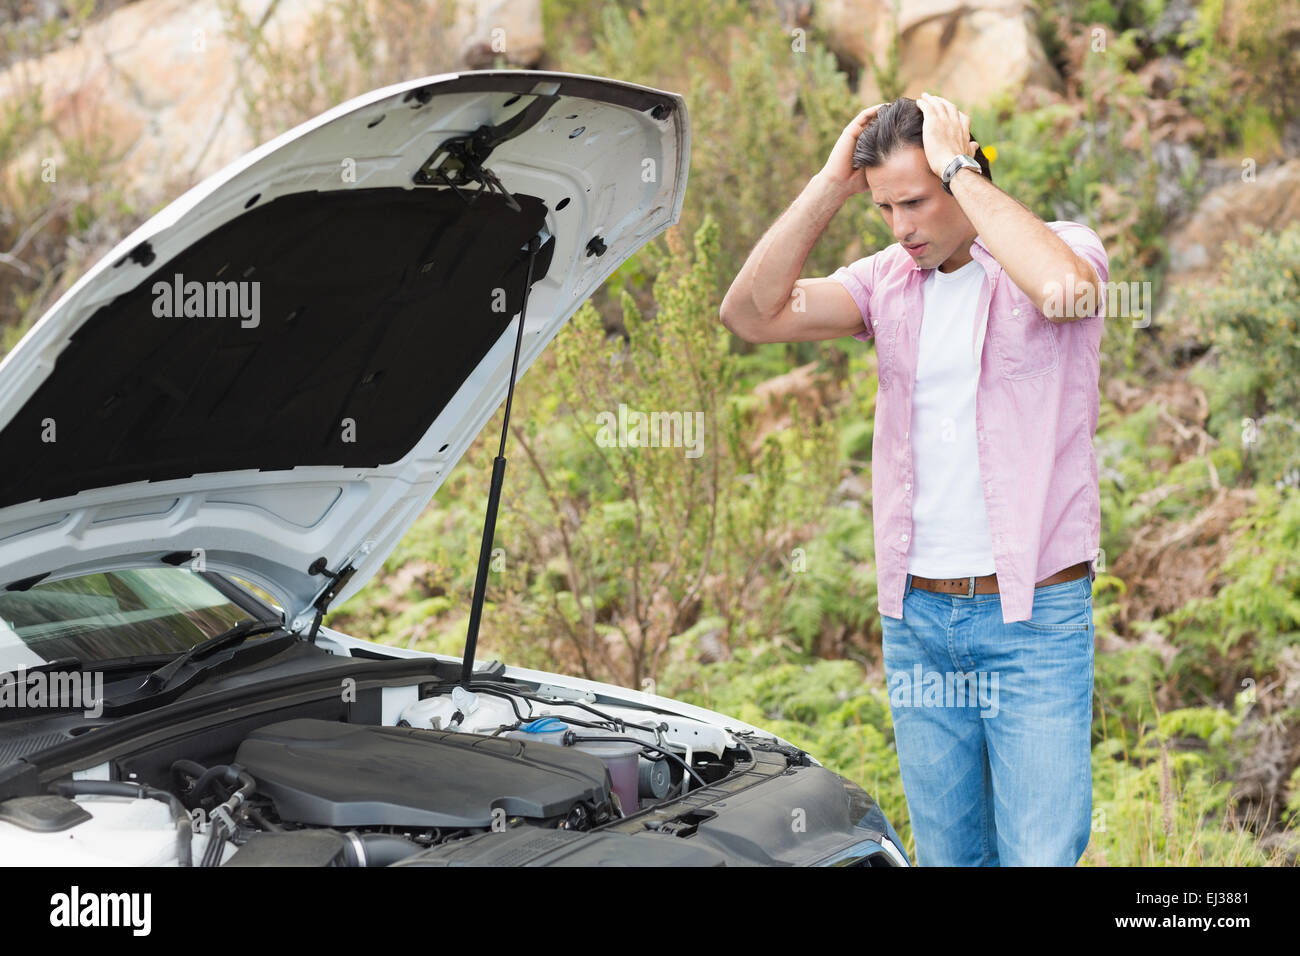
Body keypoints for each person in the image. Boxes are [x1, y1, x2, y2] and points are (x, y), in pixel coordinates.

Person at [719, 94, 1110, 866]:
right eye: (884, 207)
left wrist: (959, 165)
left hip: (1031, 621)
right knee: (951, 858)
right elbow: (750, 314)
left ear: (965, 172)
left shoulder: (1062, 248)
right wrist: (831, 186)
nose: (902, 227)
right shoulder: (886, 281)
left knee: (1039, 855)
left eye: (917, 201)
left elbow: (1065, 291)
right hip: (921, 625)